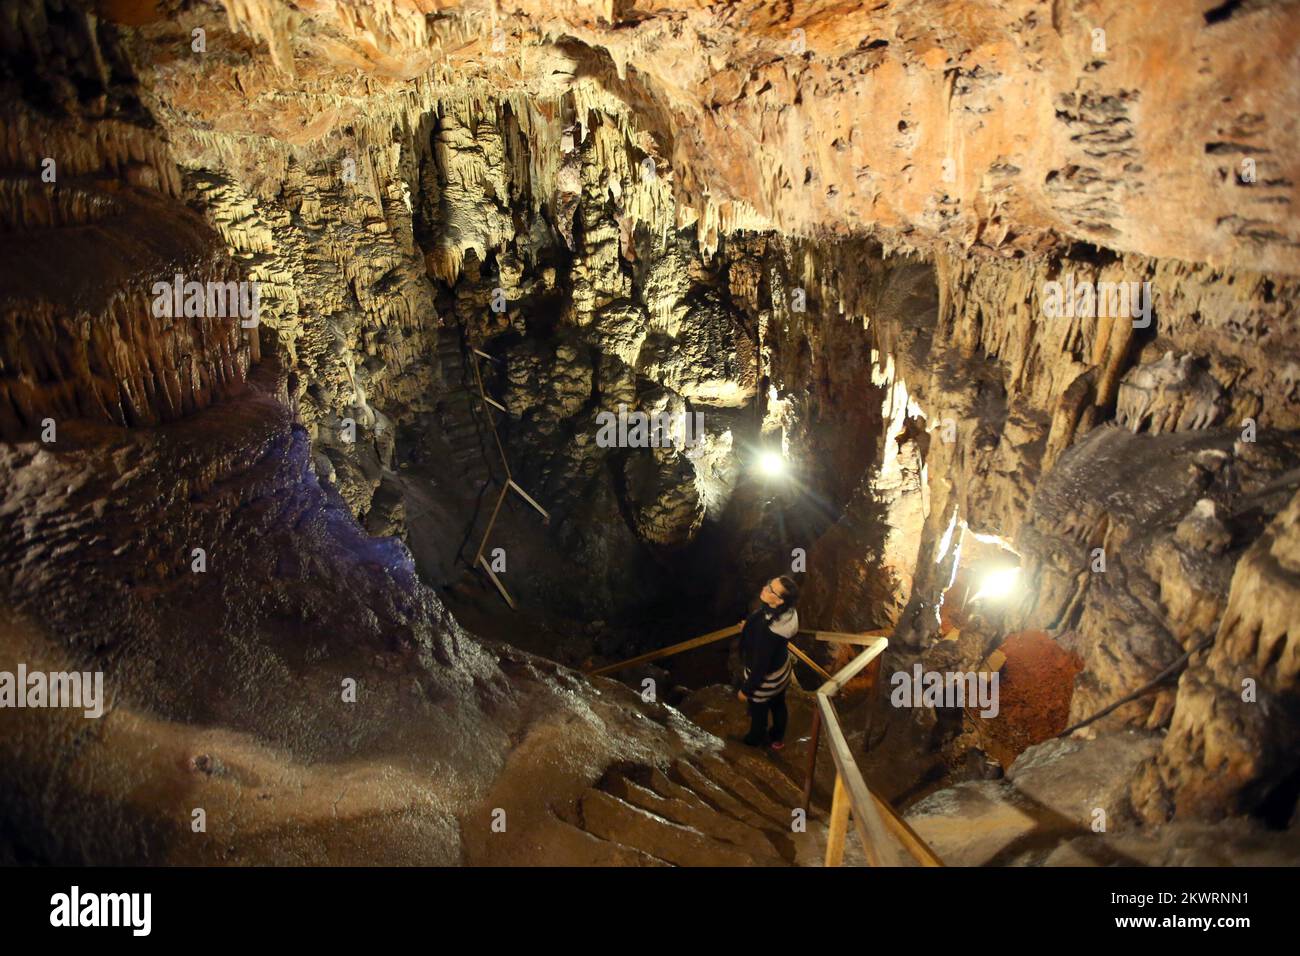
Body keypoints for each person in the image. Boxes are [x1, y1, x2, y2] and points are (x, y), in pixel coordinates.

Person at [736, 575, 800, 749]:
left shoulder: (768, 634)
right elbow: (762, 618)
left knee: (759, 711)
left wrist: (746, 690)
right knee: (779, 704)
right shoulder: (788, 613)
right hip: (781, 673)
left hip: (766, 682)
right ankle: (777, 738)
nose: (765, 588)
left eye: (771, 590)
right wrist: (748, 627)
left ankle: (754, 739)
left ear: (779, 601)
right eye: (769, 584)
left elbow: (760, 667)